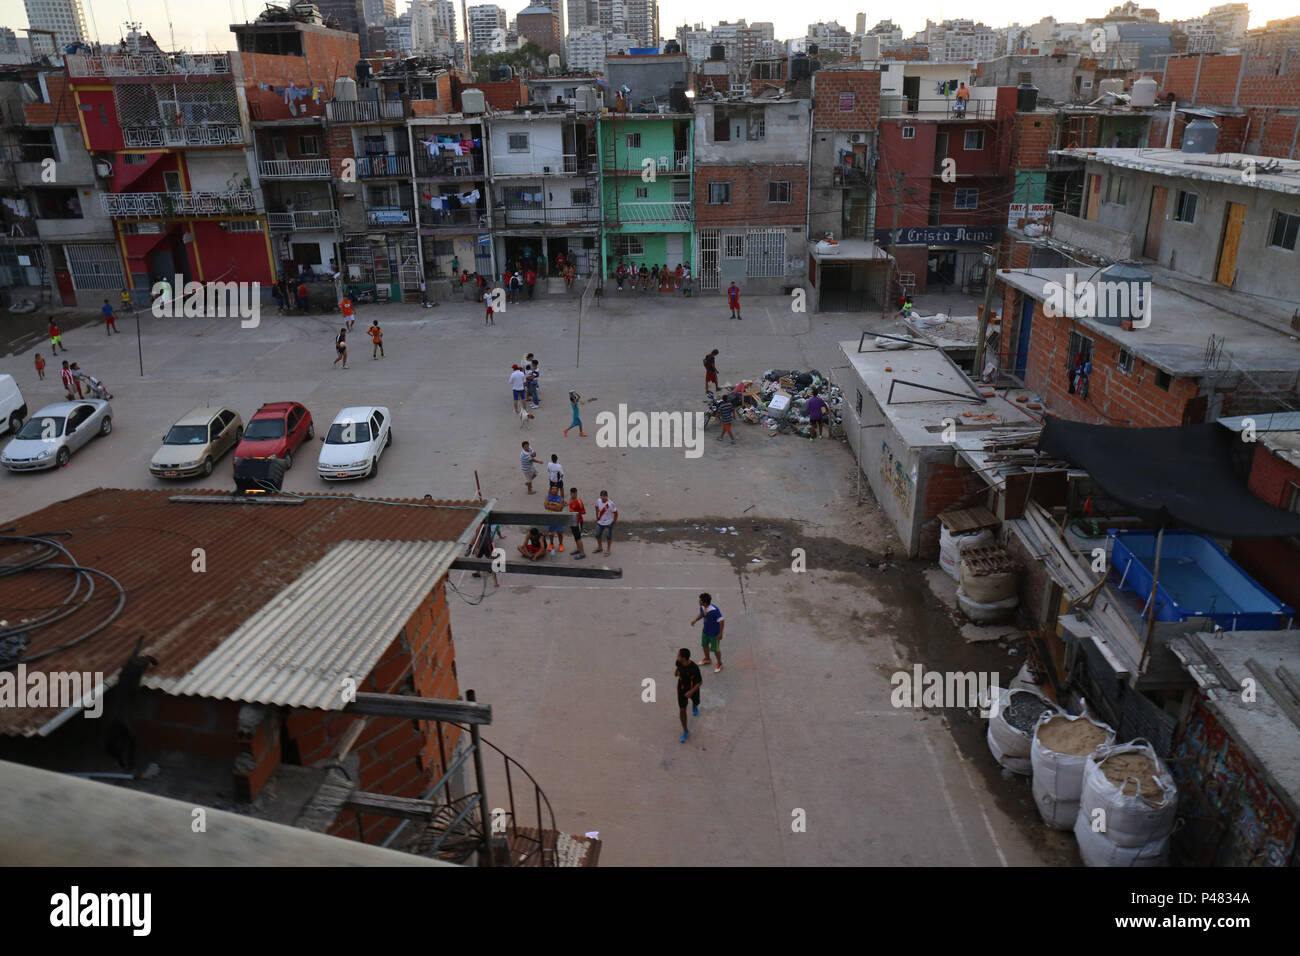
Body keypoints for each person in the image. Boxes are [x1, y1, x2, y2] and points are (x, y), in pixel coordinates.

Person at [690, 593, 725, 672]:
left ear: (704, 602)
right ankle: (707, 659)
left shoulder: (714, 611)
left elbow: (721, 621)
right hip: (705, 631)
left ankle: (719, 663)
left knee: (716, 649)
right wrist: (695, 620)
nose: (698, 601)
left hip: (714, 634)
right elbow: (702, 614)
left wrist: (720, 633)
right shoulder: (702, 607)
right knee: (704, 645)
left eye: (700, 600)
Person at [675, 648, 702, 743]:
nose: (677, 656)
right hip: (681, 689)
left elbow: (699, 682)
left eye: (678, 655)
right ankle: (685, 730)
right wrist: (676, 672)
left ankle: (694, 705)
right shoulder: (678, 662)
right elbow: (677, 669)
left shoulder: (694, 668)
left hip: (692, 689)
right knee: (682, 709)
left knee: (695, 701)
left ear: (684, 658)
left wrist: (691, 692)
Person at [593, 490, 617, 555]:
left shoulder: (611, 504)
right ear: (600, 496)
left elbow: (615, 513)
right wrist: (597, 516)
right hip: (600, 521)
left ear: (607, 496)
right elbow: (596, 507)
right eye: (602, 496)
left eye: (604, 496)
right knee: (597, 535)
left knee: (608, 536)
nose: (603, 498)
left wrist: (614, 521)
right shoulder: (598, 501)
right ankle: (600, 547)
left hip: (608, 523)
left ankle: (608, 550)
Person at [568, 487, 587, 559]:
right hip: (572, 521)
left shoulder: (579, 501)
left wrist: (577, 512)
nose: (573, 495)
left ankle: (582, 553)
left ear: (576, 493)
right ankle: (578, 549)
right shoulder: (570, 499)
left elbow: (584, 512)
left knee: (578, 537)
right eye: (572, 493)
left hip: (578, 521)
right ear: (570, 493)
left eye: (574, 493)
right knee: (575, 536)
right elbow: (570, 508)